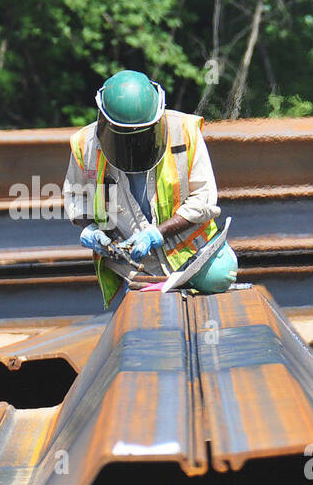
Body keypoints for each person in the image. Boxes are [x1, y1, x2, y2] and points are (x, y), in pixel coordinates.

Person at [63, 69, 238, 309]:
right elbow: (76, 197)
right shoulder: (85, 145)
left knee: (221, 274)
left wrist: (156, 234)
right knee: (136, 323)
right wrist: (91, 231)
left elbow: (204, 199)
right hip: (133, 268)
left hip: (190, 258)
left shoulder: (184, 132)